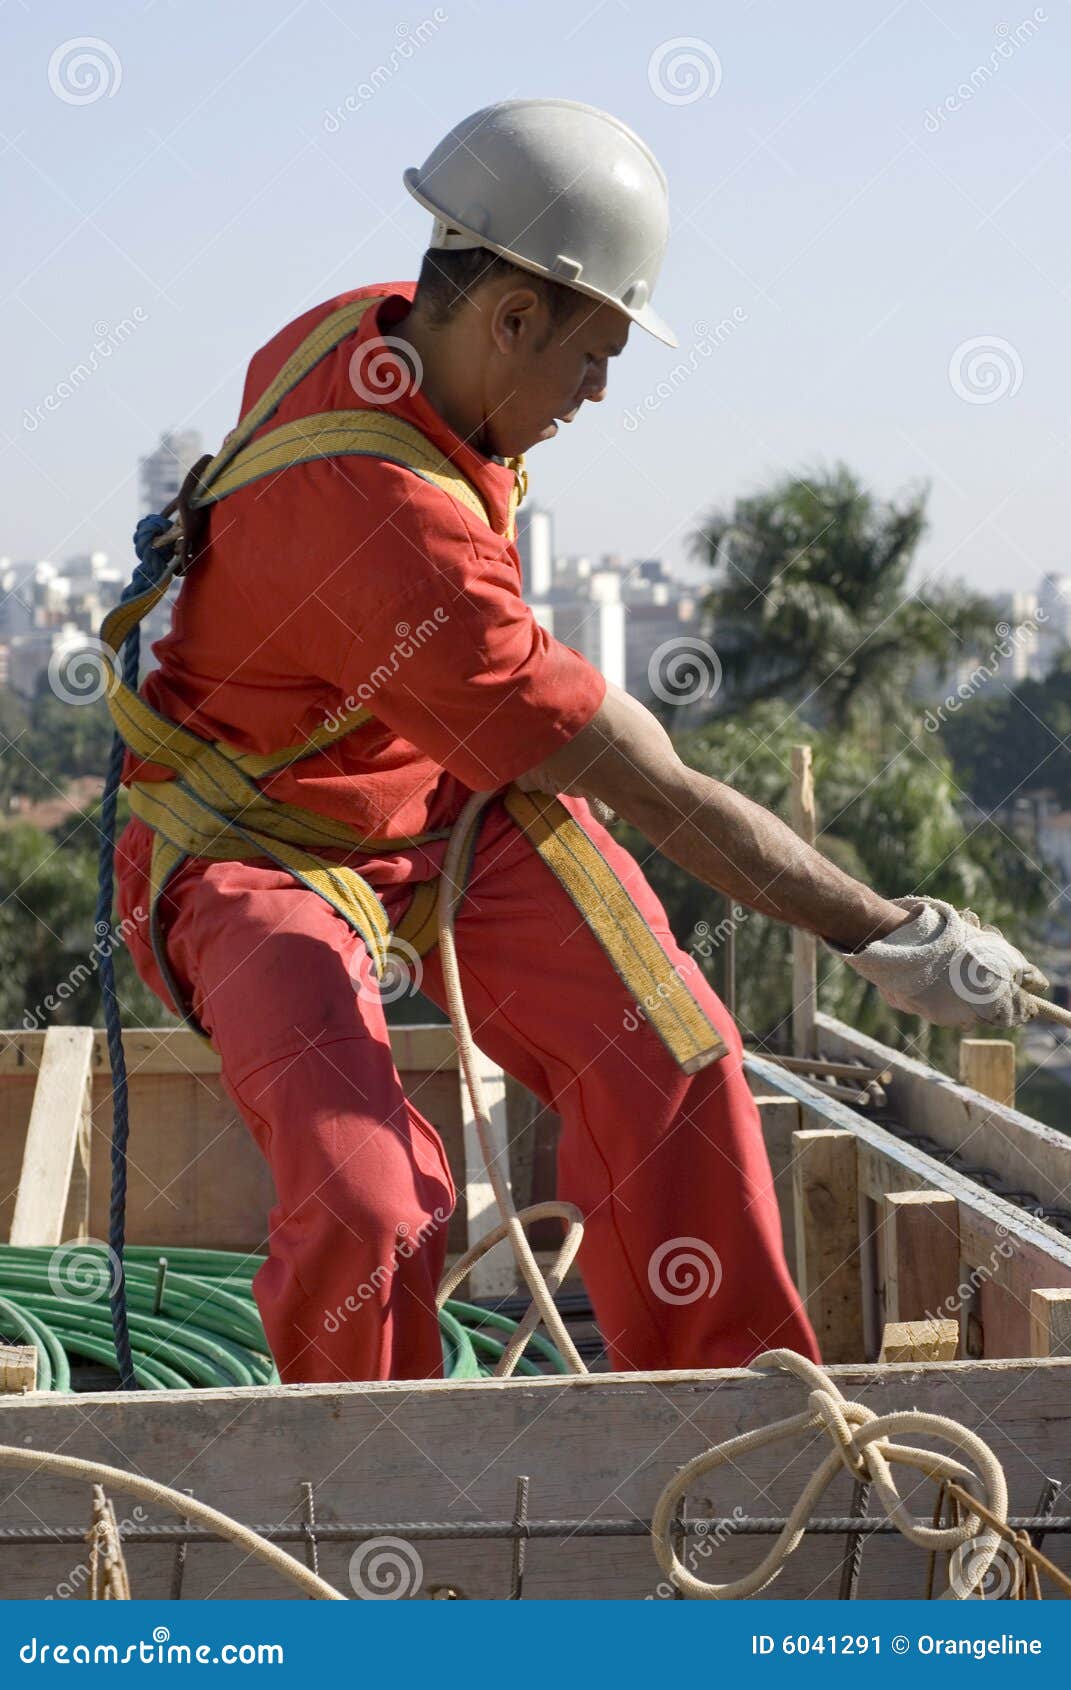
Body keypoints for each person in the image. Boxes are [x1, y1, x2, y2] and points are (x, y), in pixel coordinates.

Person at [112, 98, 1046, 1384]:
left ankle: (732, 1432)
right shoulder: (408, 555)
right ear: (510, 318)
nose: (599, 392)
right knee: (370, 1198)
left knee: (672, 1058)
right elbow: (665, 792)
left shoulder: (370, 324)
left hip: (440, 803)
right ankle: (368, 1506)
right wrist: (887, 934)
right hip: (243, 850)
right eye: (594, 355)